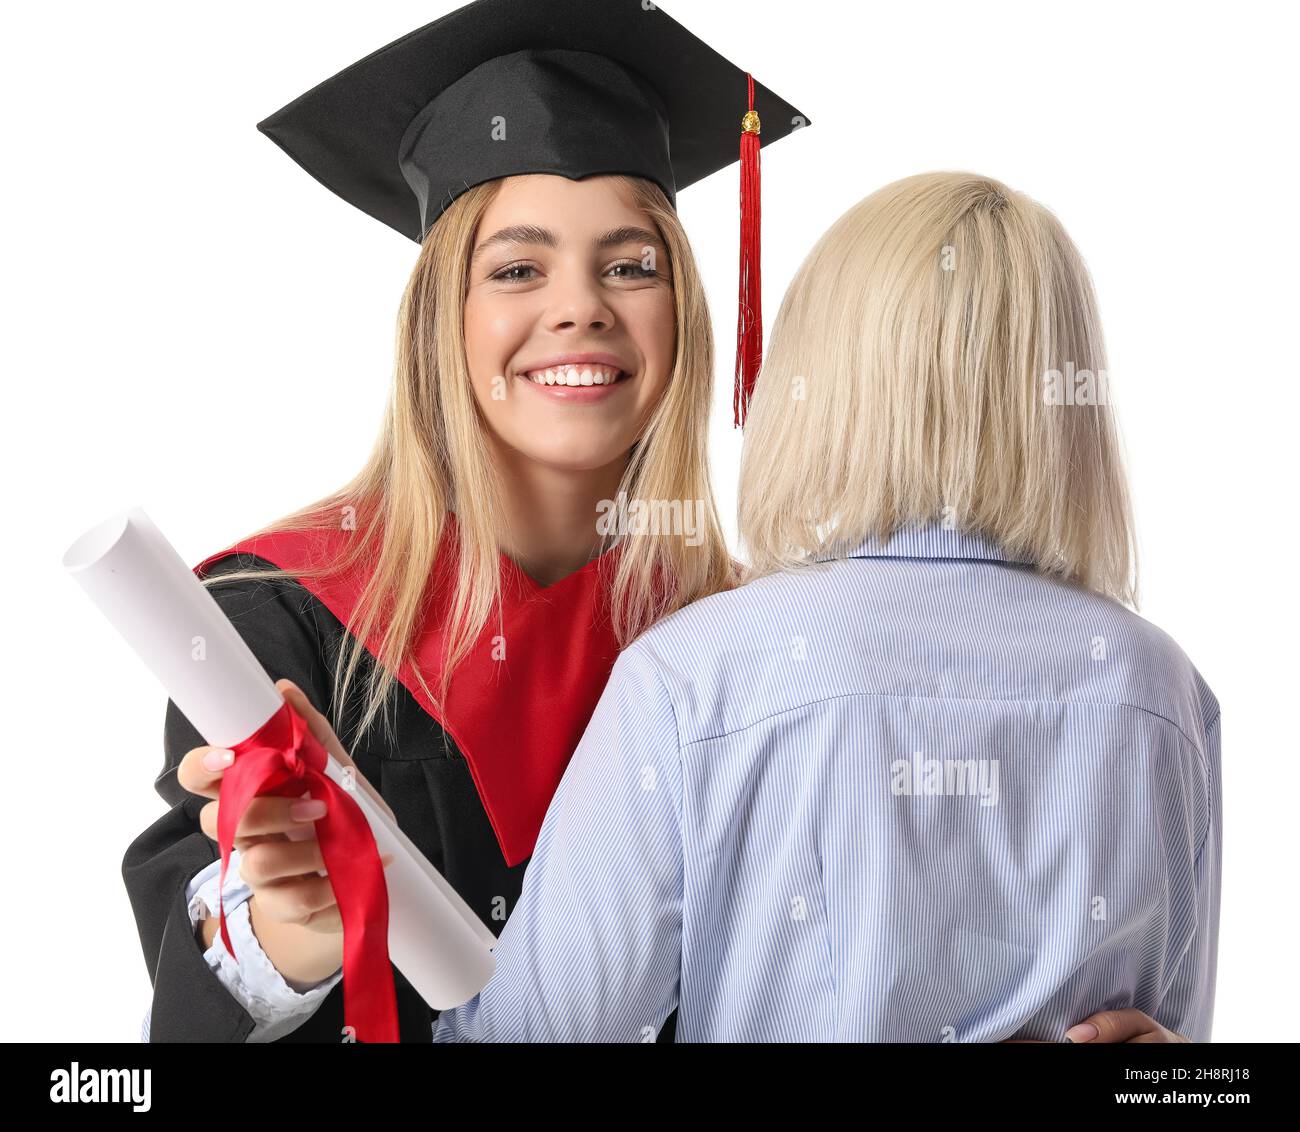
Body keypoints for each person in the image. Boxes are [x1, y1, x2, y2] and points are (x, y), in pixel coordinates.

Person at [345, 170, 1213, 1041]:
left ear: (821, 376)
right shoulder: (1160, 688)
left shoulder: (700, 673)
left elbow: (535, 1039)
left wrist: (375, 882)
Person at [121, 0, 807, 1042]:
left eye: (631, 263)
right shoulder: (275, 623)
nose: (581, 305)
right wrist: (281, 938)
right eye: (517, 267)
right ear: (442, 315)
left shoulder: (751, 640)